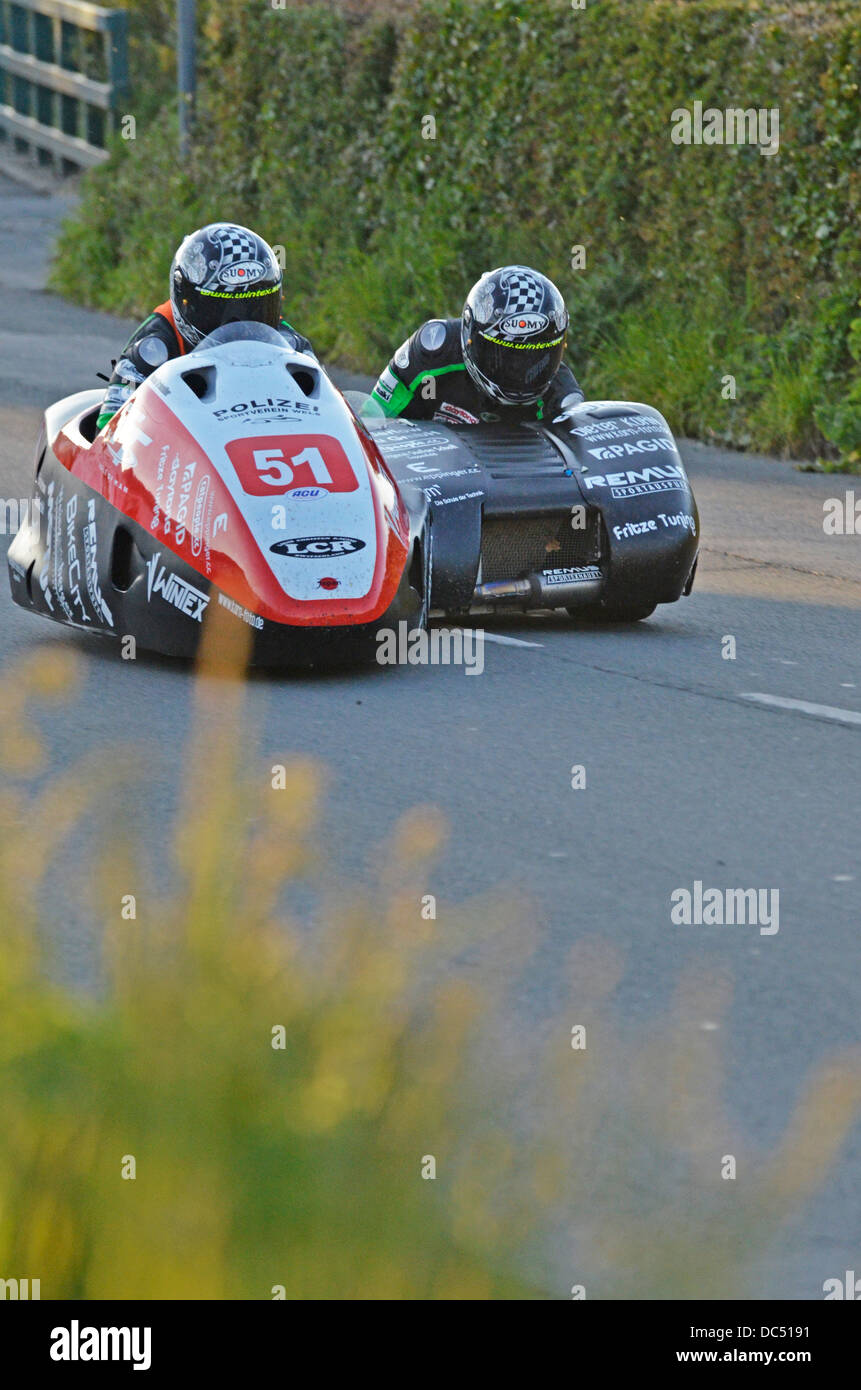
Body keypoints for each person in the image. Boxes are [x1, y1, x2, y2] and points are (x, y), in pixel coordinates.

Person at [96, 222, 315, 429]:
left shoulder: (291, 346)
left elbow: (328, 407)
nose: (239, 325)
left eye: (254, 308)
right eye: (220, 310)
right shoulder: (153, 347)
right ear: (186, 301)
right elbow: (108, 428)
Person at [368, 265, 584, 426]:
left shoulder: (564, 397)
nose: (519, 370)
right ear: (471, 337)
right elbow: (369, 423)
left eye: (536, 357)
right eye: (506, 357)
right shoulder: (431, 351)